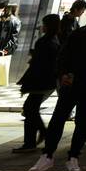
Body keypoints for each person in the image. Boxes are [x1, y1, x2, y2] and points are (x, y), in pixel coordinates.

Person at [28, 0, 86, 171]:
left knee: (83, 122)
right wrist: (63, 74)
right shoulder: (78, 34)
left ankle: (73, 157)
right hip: (72, 84)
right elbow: (63, 56)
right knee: (58, 118)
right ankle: (47, 155)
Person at [14, 14, 61, 153]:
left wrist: (26, 83)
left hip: (40, 81)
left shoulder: (43, 42)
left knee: (29, 109)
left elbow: (37, 65)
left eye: (43, 24)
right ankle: (37, 136)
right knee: (30, 108)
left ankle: (31, 141)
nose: (41, 26)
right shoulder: (55, 40)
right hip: (48, 81)